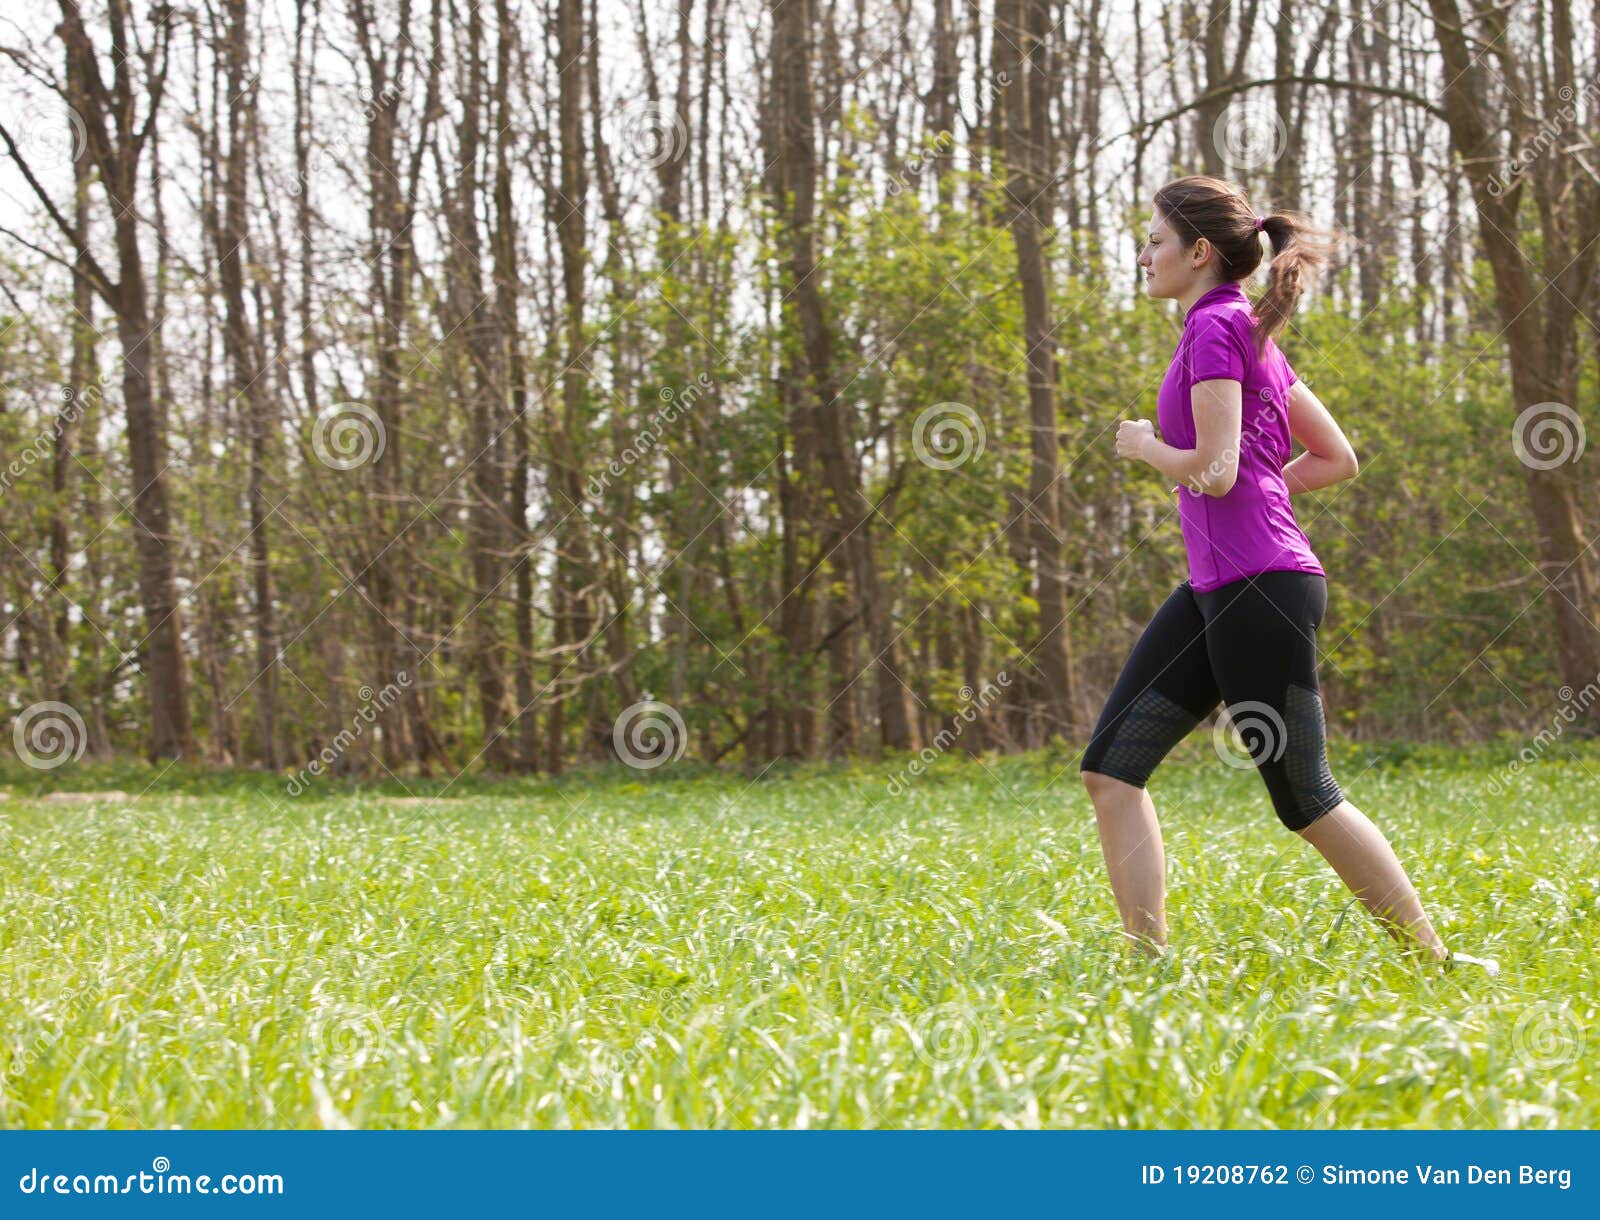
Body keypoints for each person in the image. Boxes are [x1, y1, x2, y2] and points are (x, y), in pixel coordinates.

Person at [1079, 175, 1496, 976]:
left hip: (1258, 586)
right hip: (1224, 586)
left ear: (1199, 253)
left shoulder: (1215, 330)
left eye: (1155, 241)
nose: (1143, 255)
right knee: (1111, 768)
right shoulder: (1249, 330)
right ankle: (1146, 966)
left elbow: (1214, 469)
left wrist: (1145, 448)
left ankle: (1433, 963)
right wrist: (1259, 482)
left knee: (1304, 794)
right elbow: (1335, 459)